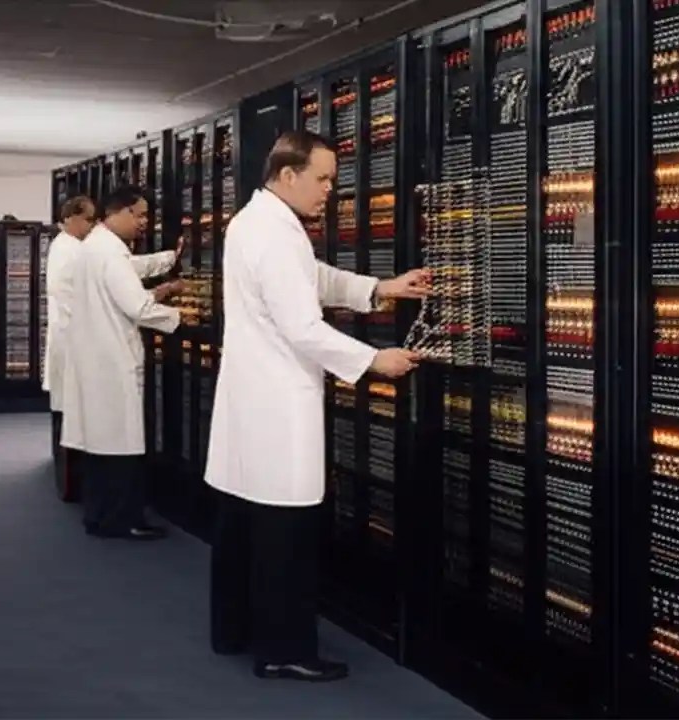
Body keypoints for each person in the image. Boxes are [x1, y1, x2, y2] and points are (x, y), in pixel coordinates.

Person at [204, 130, 430, 682]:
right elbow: (303, 325)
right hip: (278, 403)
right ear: (288, 175)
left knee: (241, 523)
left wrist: (381, 288)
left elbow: (311, 279)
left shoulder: (255, 222)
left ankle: (232, 630)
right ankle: (284, 651)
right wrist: (374, 361)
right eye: (323, 178)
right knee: (284, 532)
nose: (331, 189)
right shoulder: (275, 234)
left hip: (252, 400)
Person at [59, 185, 183, 540]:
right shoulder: (109, 253)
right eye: (140, 215)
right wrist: (180, 318)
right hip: (111, 363)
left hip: (96, 360)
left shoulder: (96, 247)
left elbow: (120, 289)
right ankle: (122, 520)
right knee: (121, 447)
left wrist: (162, 275)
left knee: (102, 448)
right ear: (119, 212)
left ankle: (99, 517)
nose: (144, 222)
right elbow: (137, 308)